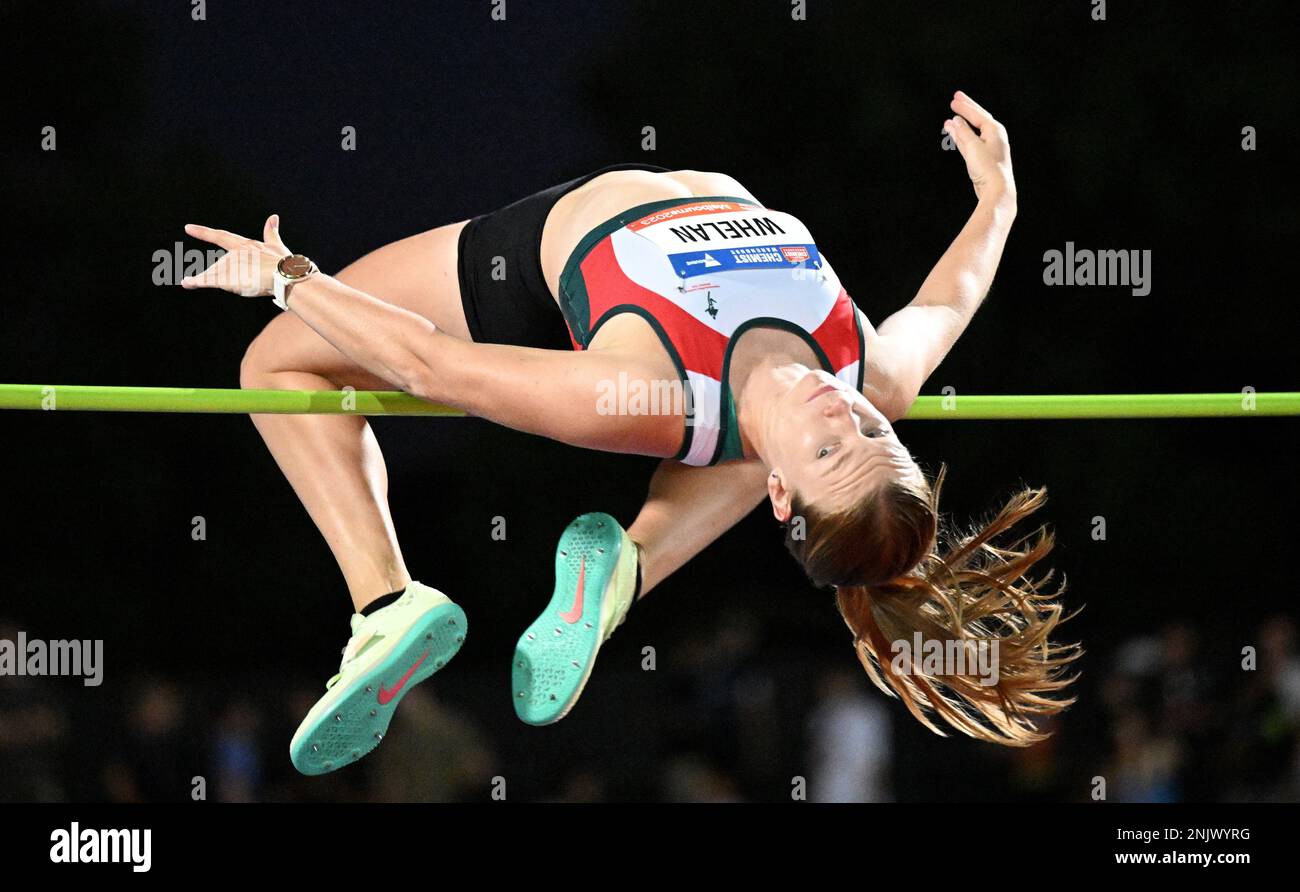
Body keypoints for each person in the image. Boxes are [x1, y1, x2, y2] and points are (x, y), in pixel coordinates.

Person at [184, 91, 1078, 776]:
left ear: (779, 493)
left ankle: (387, 605)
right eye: (874, 432)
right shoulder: (870, 370)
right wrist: (998, 199)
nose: (839, 411)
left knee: (278, 364)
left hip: (540, 269)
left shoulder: (639, 394)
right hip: (700, 376)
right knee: (773, 416)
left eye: (827, 451)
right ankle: (629, 568)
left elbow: (430, 366)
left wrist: (288, 278)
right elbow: (945, 302)